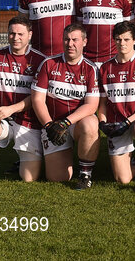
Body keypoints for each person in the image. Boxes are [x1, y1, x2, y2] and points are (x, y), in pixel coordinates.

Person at [0, 17, 48, 190]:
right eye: (12, 33)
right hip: (3, 120)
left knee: (29, 177)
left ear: (30, 35)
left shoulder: (41, 60)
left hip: (30, 122)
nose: (16, 38)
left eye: (20, 34)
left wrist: (11, 109)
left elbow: (37, 96)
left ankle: (30, 158)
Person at [30, 23, 101, 188]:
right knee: (57, 177)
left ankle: (85, 175)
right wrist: (49, 125)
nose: (70, 44)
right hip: (53, 124)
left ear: (84, 42)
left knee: (91, 123)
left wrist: (66, 123)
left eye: (75, 40)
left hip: (75, 123)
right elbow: (37, 100)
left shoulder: (91, 69)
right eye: (66, 40)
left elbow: (91, 106)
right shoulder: (48, 64)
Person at [97, 22, 135, 192]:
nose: (122, 43)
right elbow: (102, 104)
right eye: (118, 39)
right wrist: (103, 123)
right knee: (122, 179)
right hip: (117, 123)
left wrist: (128, 121)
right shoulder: (105, 68)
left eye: (126, 39)